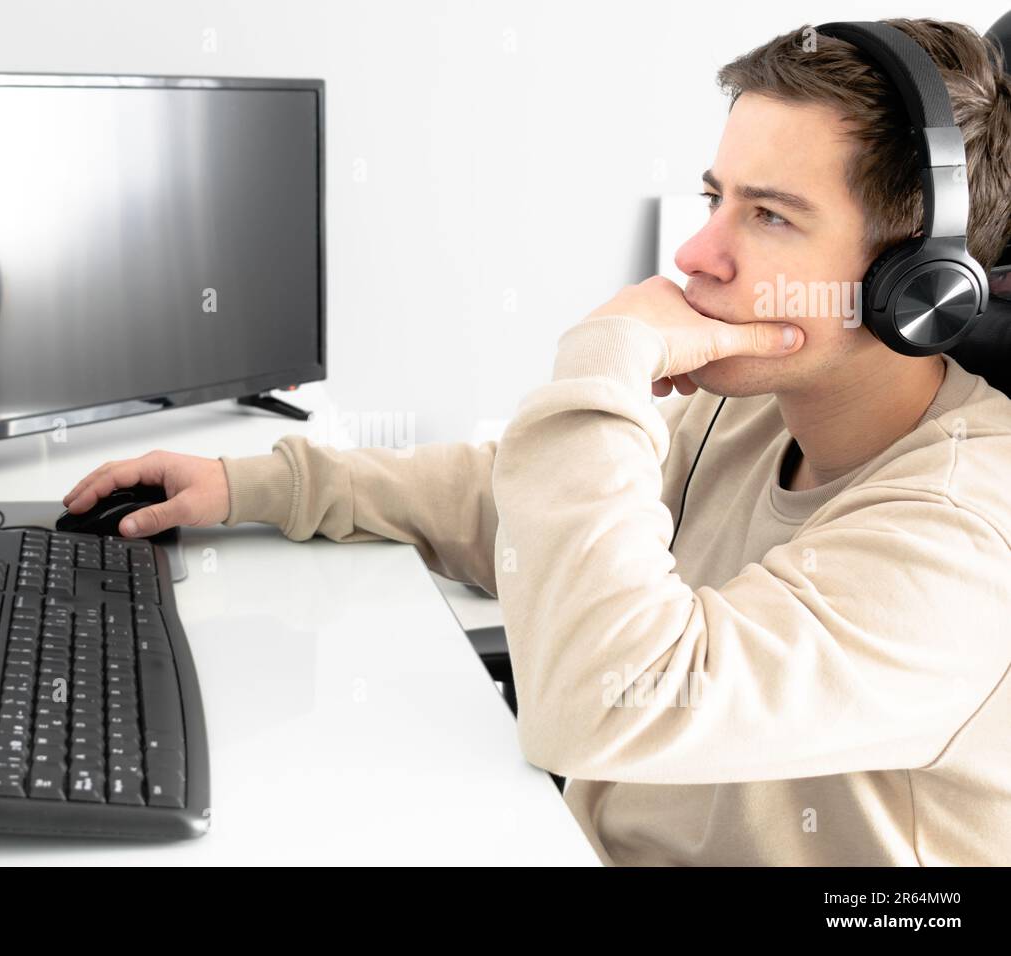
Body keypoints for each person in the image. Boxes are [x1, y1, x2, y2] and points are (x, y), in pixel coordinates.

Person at [63, 18, 1011, 865]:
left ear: (919, 285)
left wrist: (606, 364)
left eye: (768, 215)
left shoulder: (965, 534)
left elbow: (612, 700)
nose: (694, 253)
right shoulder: (759, 410)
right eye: (714, 196)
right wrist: (256, 486)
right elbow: (521, 501)